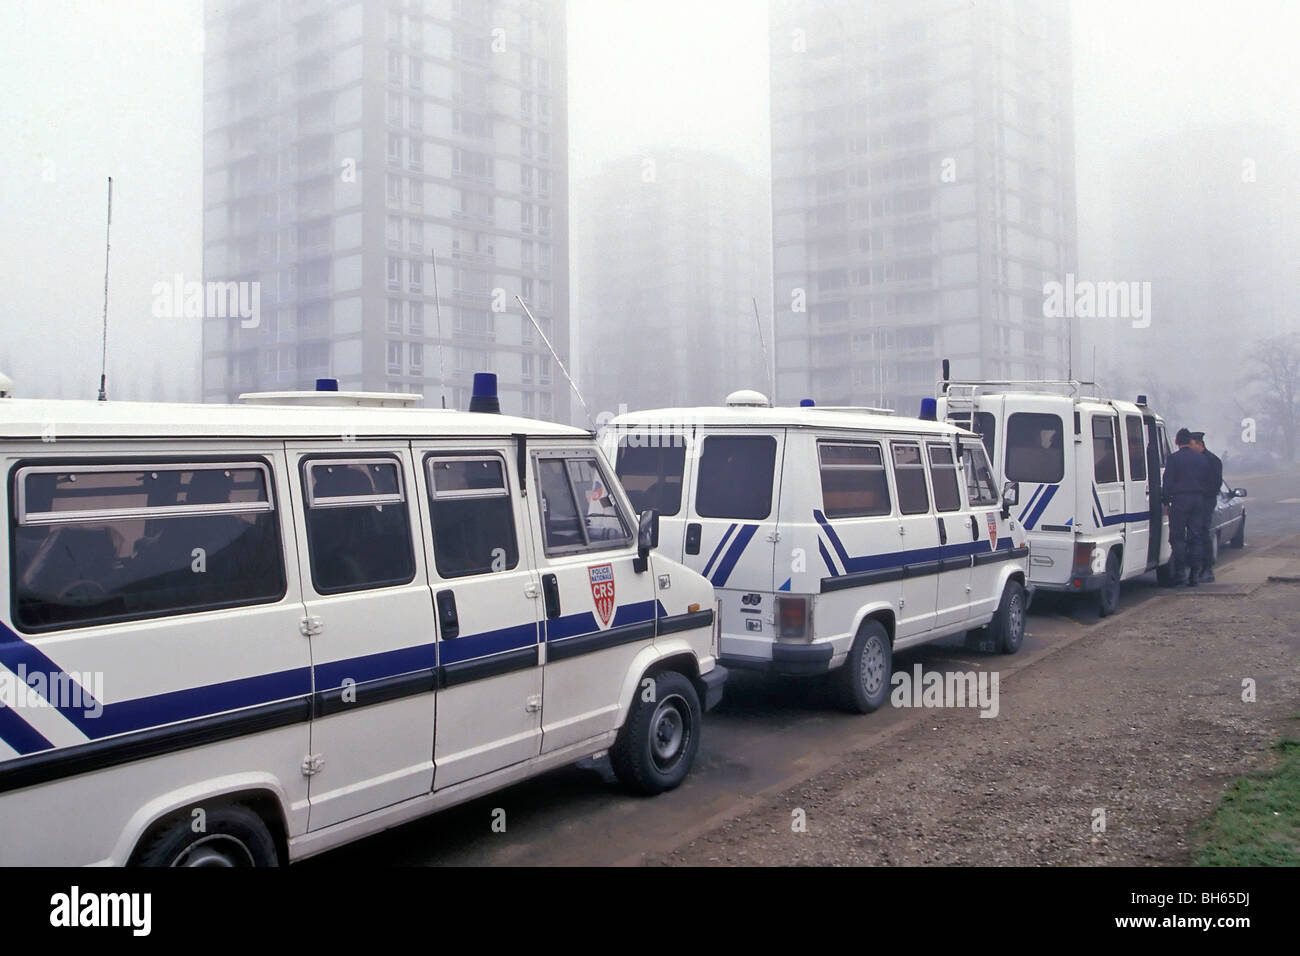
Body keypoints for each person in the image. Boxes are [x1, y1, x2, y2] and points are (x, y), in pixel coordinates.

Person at [1161, 427, 1211, 587]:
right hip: (1198, 500)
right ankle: (1194, 575)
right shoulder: (1202, 459)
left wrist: (1166, 501)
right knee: (1195, 537)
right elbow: (1207, 482)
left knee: (1177, 538)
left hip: (1180, 501)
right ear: (1190, 441)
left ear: (1176, 442)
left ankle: (1180, 573)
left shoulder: (1173, 459)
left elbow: (1167, 482)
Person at [1190, 432, 1223, 582]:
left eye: (1192, 445)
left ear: (1199, 444)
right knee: (1194, 535)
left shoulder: (1212, 460)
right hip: (1194, 501)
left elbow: (1215, 485)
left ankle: (1207, 568)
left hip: (1206, 502)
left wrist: (1200, 492)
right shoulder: (1193, 460)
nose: (1190, 448)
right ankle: (1195, 568)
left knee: (1204, 532)